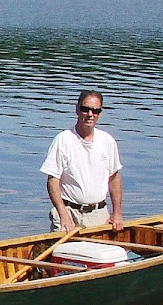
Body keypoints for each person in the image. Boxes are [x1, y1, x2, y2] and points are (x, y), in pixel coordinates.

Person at [41, 89, 123, 232]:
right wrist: (63, 215)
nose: (90, 114)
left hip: (98, 214)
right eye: (85, 109)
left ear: (100, 113)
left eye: (95, 111)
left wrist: (117, 213)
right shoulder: (63, 140)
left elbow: (114, 178)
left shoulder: (107, 141)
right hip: (68, 213)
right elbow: (53, 180)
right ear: (77, 110)